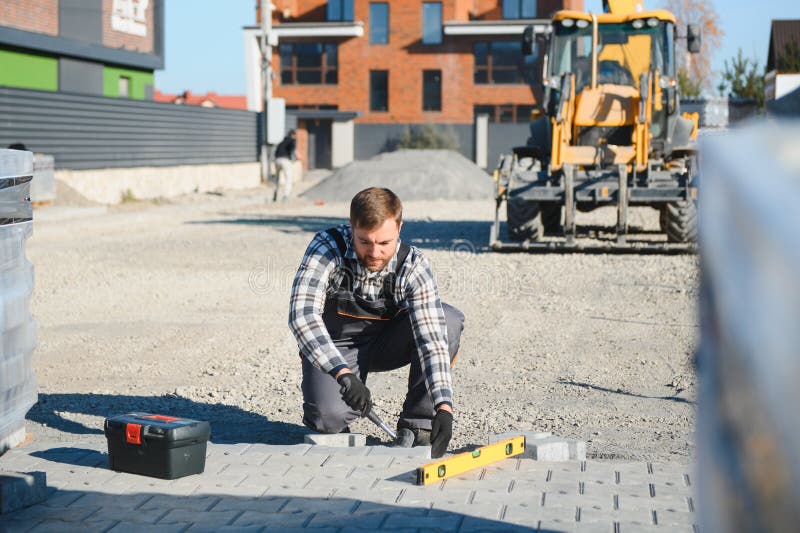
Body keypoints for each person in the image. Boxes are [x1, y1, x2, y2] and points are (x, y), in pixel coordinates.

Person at [288, 187, 464, 458]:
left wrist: (443, 406)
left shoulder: (413, 265)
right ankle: (332, 411)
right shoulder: (327, 247)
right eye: (365, 242)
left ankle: (419, 424)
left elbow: (432, 339)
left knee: (447, 321)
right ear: (351, 227)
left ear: (399, 228)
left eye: (384, 243)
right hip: (336, 349)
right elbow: (302, 315)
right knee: (328, 418)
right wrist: (342, 373)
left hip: (386, 344)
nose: (375, 253)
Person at [273, 130, 297, 202]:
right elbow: (293, 150)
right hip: (285, 160)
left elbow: (276, 152)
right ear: (292, 135)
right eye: (295, 135)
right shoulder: (292, 141)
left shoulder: (281, 142)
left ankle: (275, 193)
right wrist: (295, 157)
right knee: (289, 178)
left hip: (277, 160)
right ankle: (286, 196)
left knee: (277, 178)